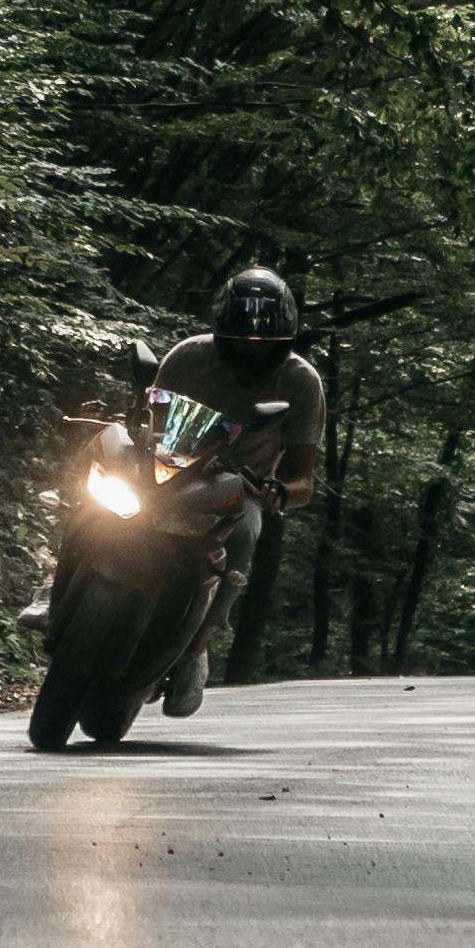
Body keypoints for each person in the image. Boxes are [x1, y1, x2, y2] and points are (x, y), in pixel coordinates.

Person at [152, 266, 325, 717]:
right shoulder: (187, 357)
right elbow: (148, 420)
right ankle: (55, 586)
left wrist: (279, 492)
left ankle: (195, 650)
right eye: (241, 341)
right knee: (93, 492)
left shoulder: (301, 381)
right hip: (166, 472)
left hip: (238, 488)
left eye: (264, 345)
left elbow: (303, 479)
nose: (251, 351)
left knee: (245, 536)